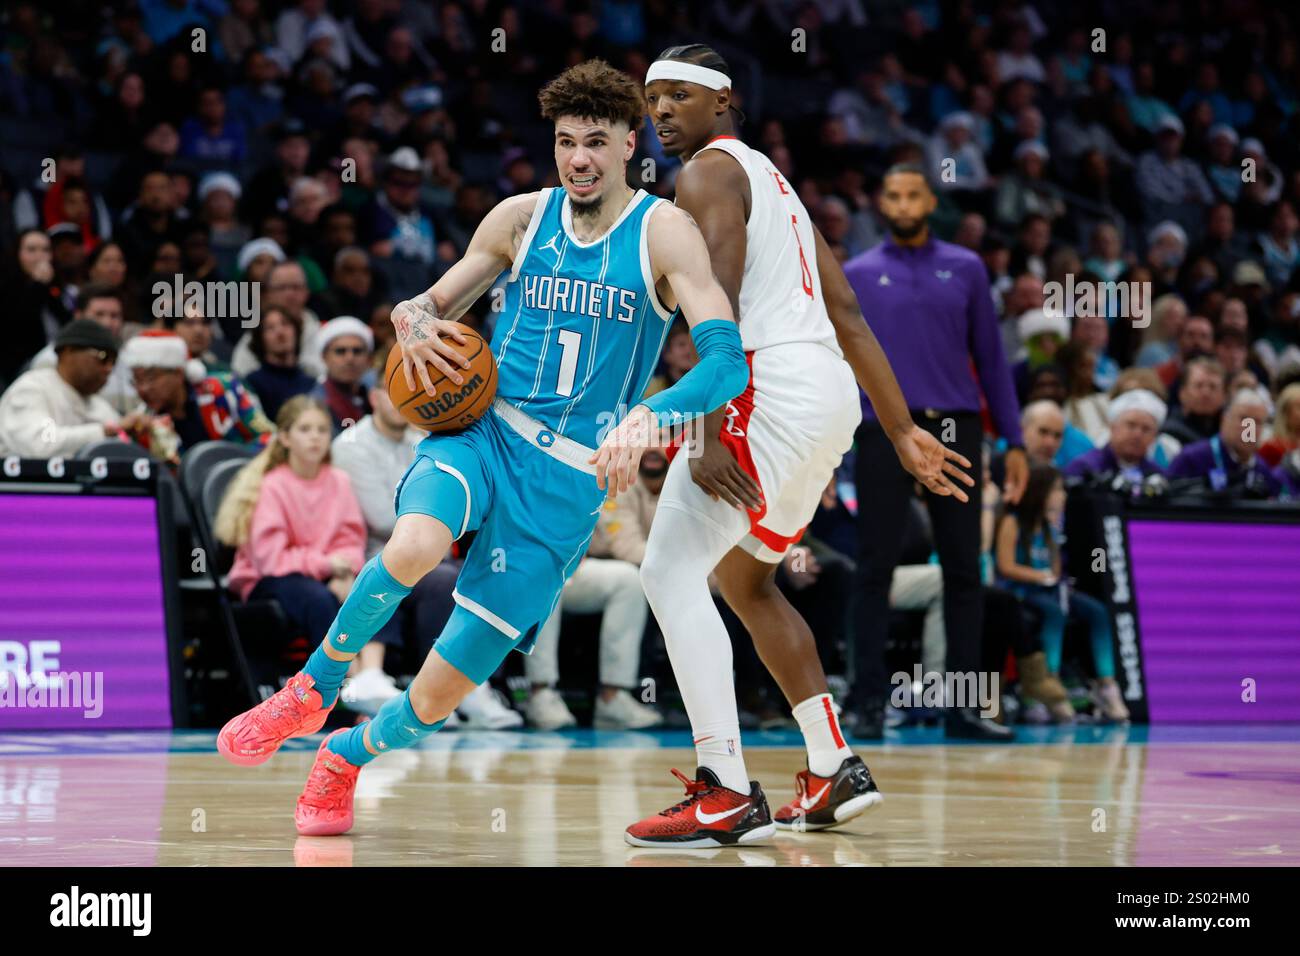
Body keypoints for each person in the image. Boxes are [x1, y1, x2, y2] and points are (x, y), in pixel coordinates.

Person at [215, 58, 750, 839]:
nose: (579, 159)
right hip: (483, 430)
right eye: (566, 142)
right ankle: (311, 687)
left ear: (631, 143)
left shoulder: (663, 231)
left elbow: (726, 363)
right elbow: (429, 303)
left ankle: (346, 756)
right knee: (416, 543)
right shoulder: (519, 218)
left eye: (597, 142)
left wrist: (650, 419)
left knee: (435, 696)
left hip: (566, 485)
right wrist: (410, 319)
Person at [627, 46, 971, 846]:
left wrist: (708, 429)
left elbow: (717, 301)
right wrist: (899, 428)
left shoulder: (708, 174)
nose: (661, 112)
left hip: (762, 387)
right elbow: (848, 313)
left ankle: (722, 788)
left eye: (679, 95)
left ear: (723, 104)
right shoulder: (777, 185)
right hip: (824, 402)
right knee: (747, 584)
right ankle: (832, 765)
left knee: (667, 568)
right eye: (652, 100)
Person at [844, 162, 1025, 743]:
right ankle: (865, 703)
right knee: (874, 566)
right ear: (880, 204)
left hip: (955, 425)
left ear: (930, 201)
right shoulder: (857, 273)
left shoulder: (967, 267)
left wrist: (1015, 441)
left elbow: (993, 362)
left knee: (964, 568)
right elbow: (840, 362)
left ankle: (964, 706)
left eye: (912, 194)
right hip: (880, 426)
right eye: (891, 195)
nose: (901, 204)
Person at [329, 376, 518, 728]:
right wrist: (442, 512)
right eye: (394, 388)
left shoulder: (423, 438)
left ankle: (471, 685)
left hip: (431, 551)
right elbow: (382, 517)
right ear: (372, 397)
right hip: (372, 554)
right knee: (443, 579)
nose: (407, 396)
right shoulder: (351, 444)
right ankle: (433, 695)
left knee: (490, 574)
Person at [216, 395, 365, 658]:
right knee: (318, 599)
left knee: (370, 592)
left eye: (321, 429)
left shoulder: (339, 481)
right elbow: (270, 561)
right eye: (305, 429)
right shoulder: (271, 485)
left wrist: (345, 572)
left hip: (324, 571)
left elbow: (351, 539)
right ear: (284, 438)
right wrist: (326, 565)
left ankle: (375, 675)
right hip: (269, 579)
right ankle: (340, 682)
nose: (315, 437)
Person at [995, 465, 1129, 723]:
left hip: (1049, 591)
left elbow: (1056, 569)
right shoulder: (1013, 522)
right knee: (1054, 613)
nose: (1063, 495)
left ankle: (1106, 685)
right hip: (1020, 592)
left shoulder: (1051, 527)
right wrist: (1039, 576)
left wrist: (1055, 532)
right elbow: (1005, 566)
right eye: (1057, 490)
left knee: (1098, 612)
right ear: (1040, 491)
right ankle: (1047, 684)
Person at [523, 556, 661, 731]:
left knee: (628, 579)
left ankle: (613, 697)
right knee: (544, 571)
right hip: (525, 562)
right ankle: (540, 693)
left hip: (571, 562)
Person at [121, 330, 272, 463]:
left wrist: (235, 462)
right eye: (137, 380)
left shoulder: (223, 390)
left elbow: (268, 437)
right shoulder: (144, 423)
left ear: (178, 372)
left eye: (151, 378)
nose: (143, 389)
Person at [0, 320, 133, 458]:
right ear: (67, 352)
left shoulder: (98, 405)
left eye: (114, 361)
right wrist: (103, 432)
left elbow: (123, 447)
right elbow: (40, 445)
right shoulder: (32, 389)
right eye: (103, 357)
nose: (109, 368)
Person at [28, 285, 137, 415]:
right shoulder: (50, 359)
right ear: (79, 316)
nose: (108, 323)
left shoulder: (130, 358)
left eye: (114, 316)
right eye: (99, 314)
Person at [1168, 387, 1280, 497]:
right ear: (1224, 420)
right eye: (1243, 419)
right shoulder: (1191, 459)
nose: (1249, 429)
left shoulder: (1263, 471)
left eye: (1257, 422)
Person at [1064, 389, 1168, 482]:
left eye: (1146, 429)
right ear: (1112, 427)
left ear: (1154, 437)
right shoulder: (1084, 468)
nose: (1137, 434)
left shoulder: (1157, 476)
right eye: (1131, 425)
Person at [244, 305, 317, 421]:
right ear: (260, 338)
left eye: (285, 324)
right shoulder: (252, 383)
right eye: (270, 328)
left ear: (296, 331)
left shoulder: (311, 382)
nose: (280, 332)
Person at [310, 316, 375, 435]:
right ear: (324, 357)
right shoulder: (315, 403)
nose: (350, 358)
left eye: (357, 351)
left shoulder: (372, 395)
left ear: (369, 359)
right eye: (340, 351)